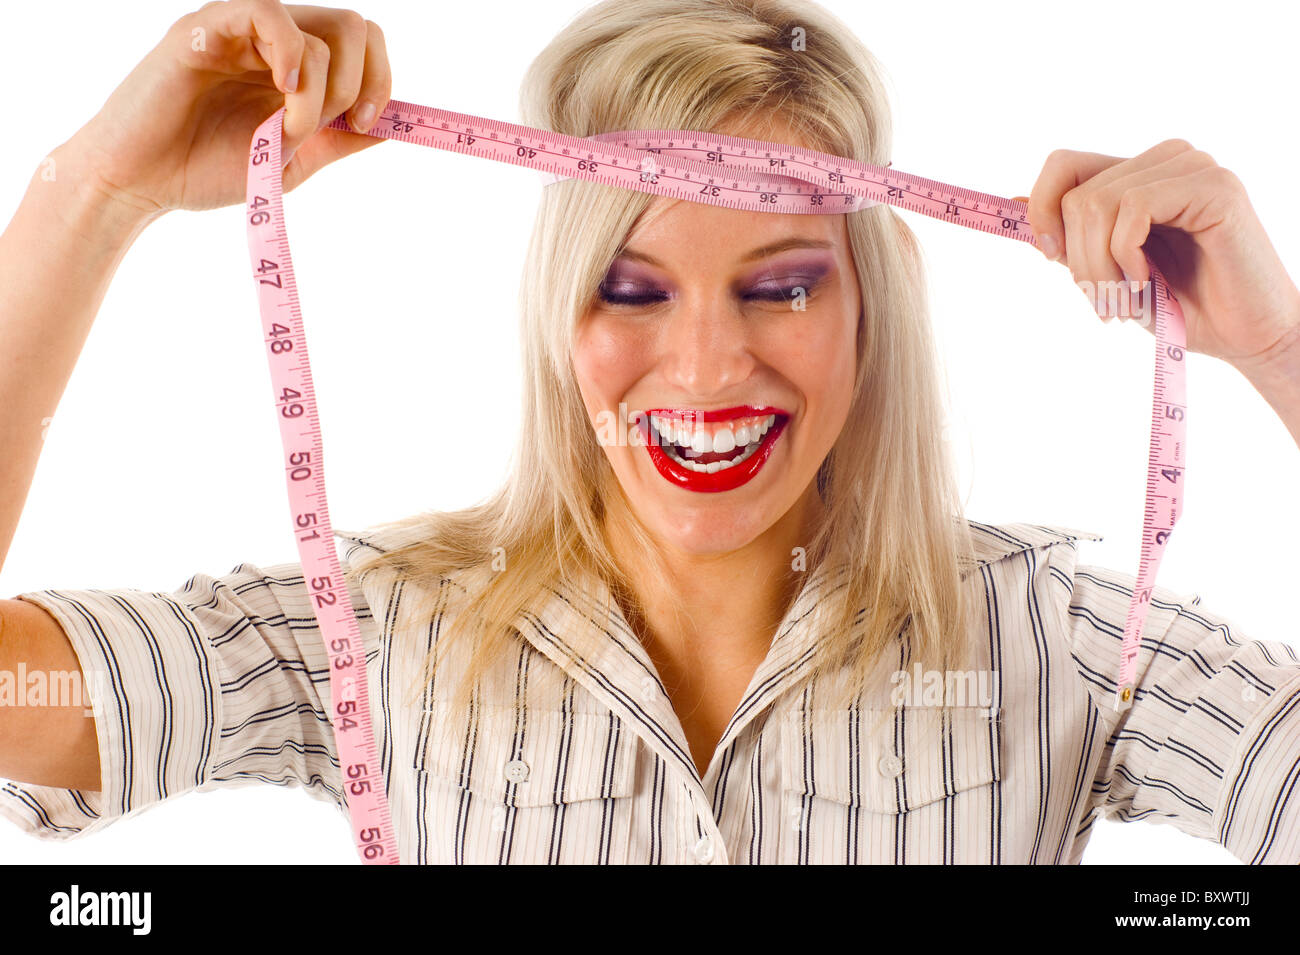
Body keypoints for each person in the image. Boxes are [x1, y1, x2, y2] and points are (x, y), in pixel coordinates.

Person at [1, 0, 1297, 865]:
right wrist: (90, 195)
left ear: (871, 305)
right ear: (559, 310)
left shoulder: (1064, 652)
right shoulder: (371, 639)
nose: (706, 365)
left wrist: (1276, 347)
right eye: (631, 288)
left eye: (782, 283)